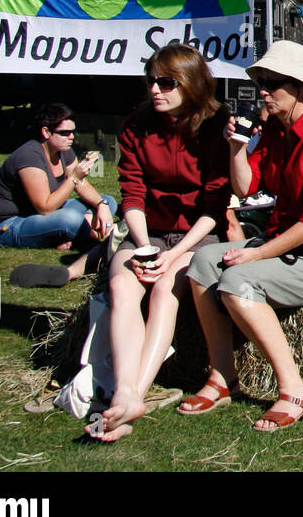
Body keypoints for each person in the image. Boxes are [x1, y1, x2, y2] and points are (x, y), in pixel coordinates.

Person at [180, 41, 303, 432]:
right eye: (261, 81)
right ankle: (222, 376)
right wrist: (236, 148)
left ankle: (294, 390)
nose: (263, 90)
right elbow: (246, 188)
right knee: (200, 263)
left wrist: (256, 256)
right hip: (285, 243)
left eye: (273, 82)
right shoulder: (278, 131)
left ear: (300, 87)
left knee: (235, 282)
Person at [87, 44, 231, 442]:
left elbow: (216, 204)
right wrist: (144, 248)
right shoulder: (135, 125)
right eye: (150, 80)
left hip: (197, 233)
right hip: (146, 230)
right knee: (121, 283)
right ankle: (125, 393)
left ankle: (135, 392)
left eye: (166, 82)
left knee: (166, 289)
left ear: (191, 82)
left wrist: (176, 254)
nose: (155, 89)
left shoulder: (217, 125)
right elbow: (131, 195)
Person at [0, 104, 116, 258]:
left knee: (108, 201)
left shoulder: (63, 150)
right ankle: (93, 234)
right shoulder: (29, 156)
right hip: (10, 224)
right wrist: (74, 177)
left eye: (72, 132)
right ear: (46, 132)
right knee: (70, 219)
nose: (71, 137)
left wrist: (101, 205)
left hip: (44, 214)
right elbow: (45, 208)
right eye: (65, 133)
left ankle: (70, 233)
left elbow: (82, 186)